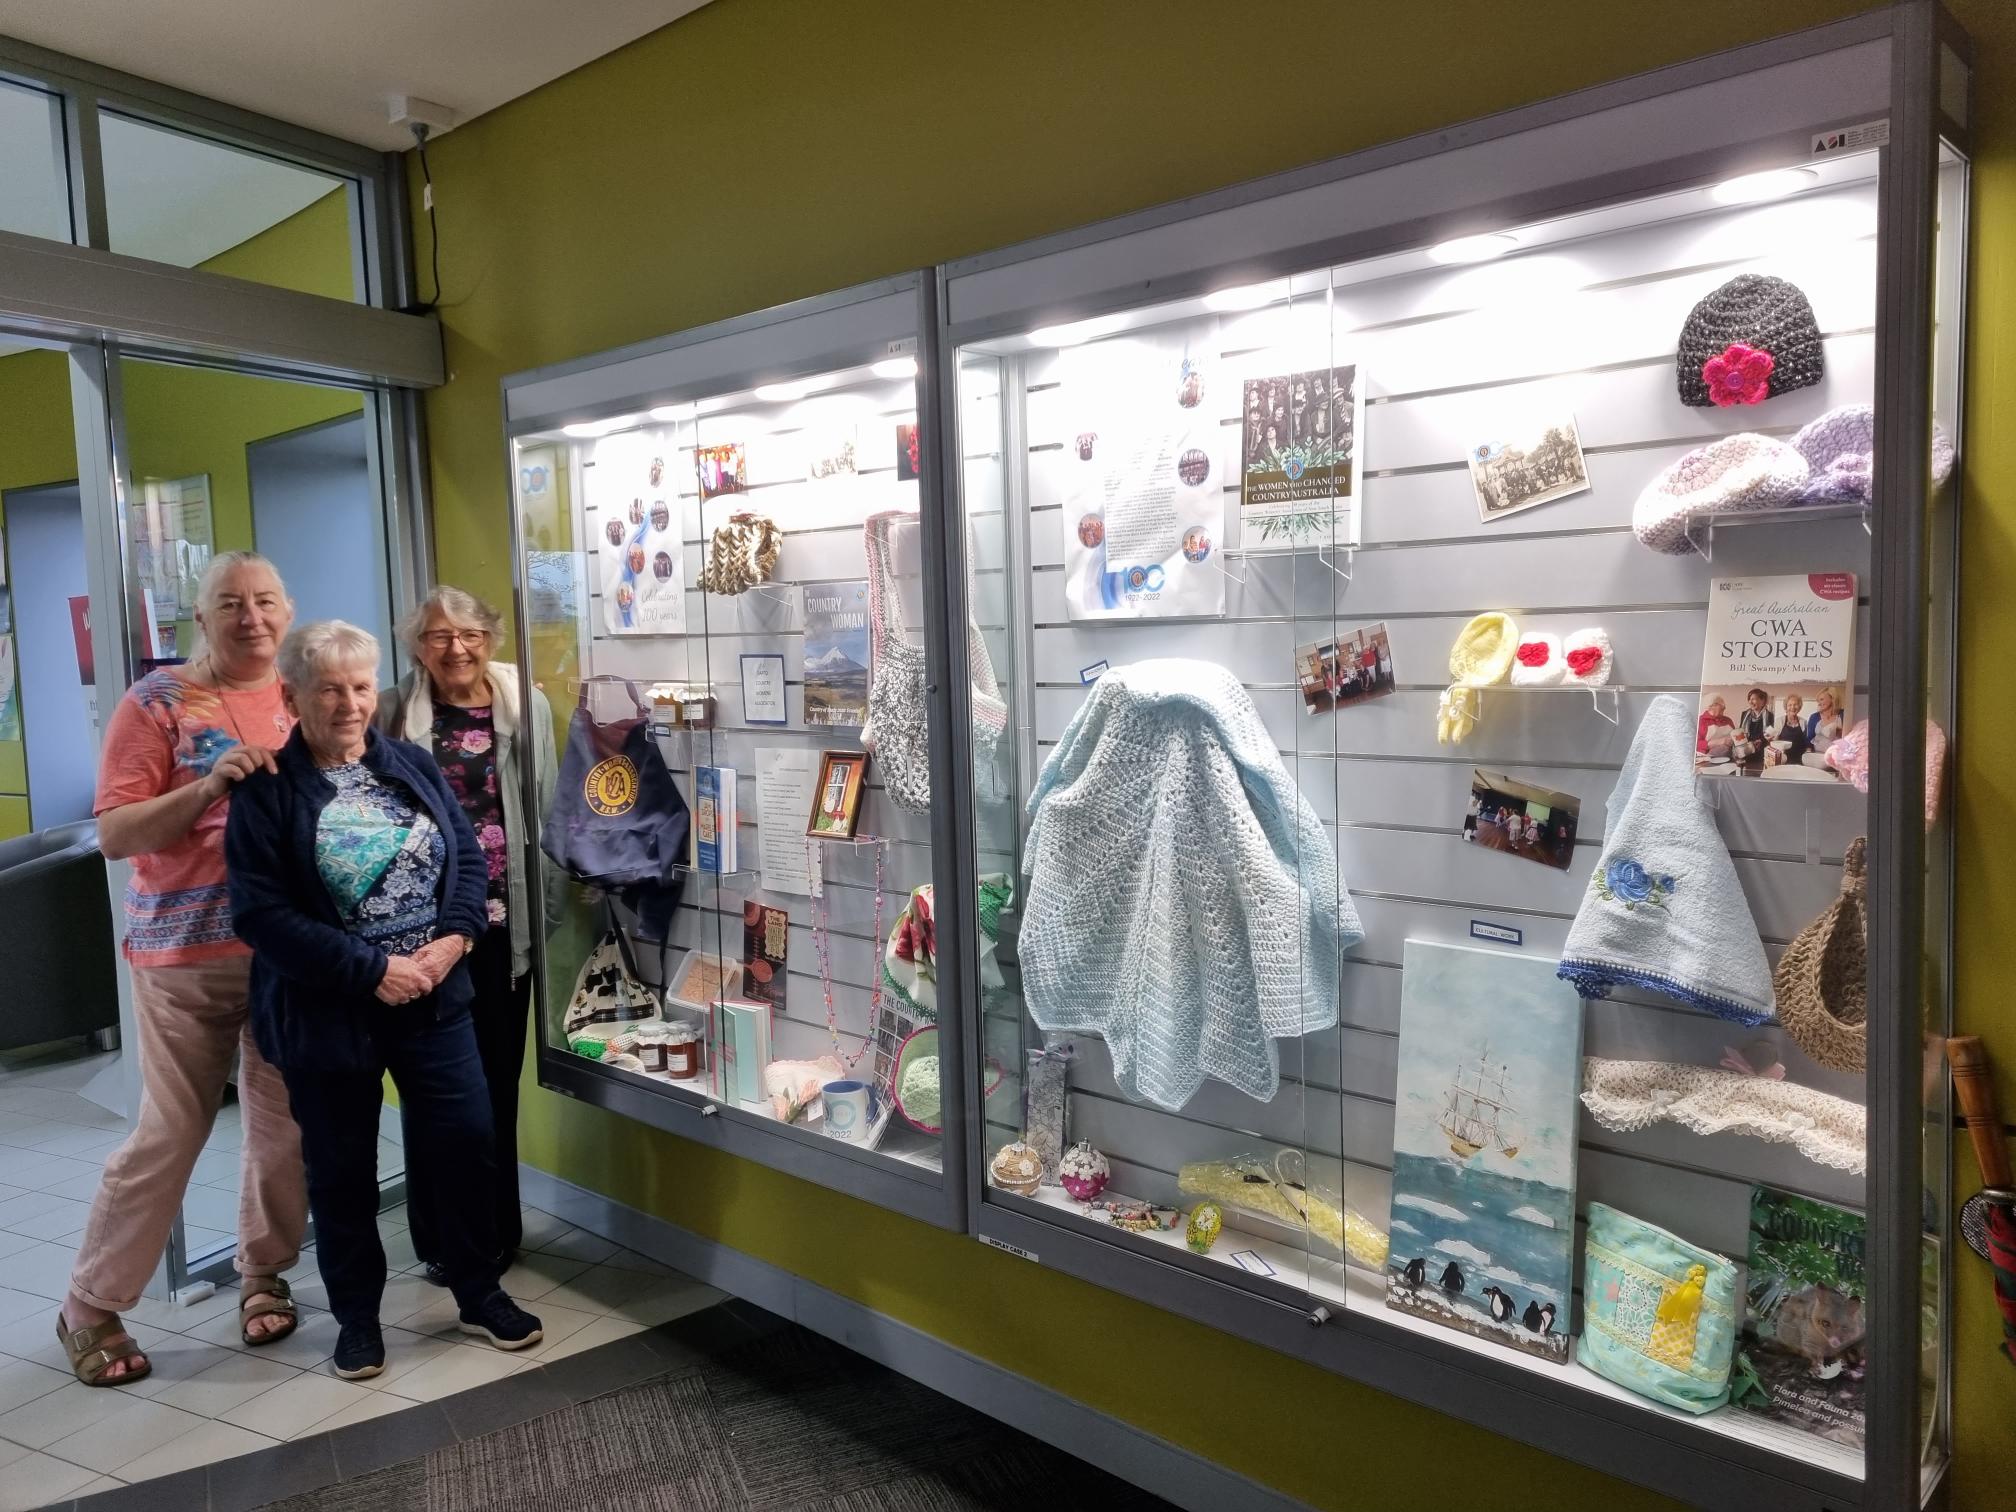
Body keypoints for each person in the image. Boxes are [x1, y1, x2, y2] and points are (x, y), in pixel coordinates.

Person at [225, 620, 542, 1379]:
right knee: (341, 1173)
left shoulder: (407, 763)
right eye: (329, 688)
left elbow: (465, 857)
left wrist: (455, 938)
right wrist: (373, 970)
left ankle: (477, 1290)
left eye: (361, 686)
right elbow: (262, 916)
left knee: (467, 1144)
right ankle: (358, 1321)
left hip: (434, 1000)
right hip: (327, 1013)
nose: (348, 703)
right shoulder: (266, 790)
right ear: (294, 694)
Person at [57, 552, 307, 1388]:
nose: (252, 617)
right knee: (172, 1131)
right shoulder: (155, 701)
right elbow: (118, 834)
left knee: (282, 1127)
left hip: (284, 955)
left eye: (266, 601)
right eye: (231, 603)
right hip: (183, 956)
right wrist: (204, 790)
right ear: (200, 618)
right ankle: (90, 1304)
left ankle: (262, 1270)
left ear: (288, 610)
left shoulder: (301, 694)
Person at [377, 586, 560, 1286]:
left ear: (491, 636)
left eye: (469, 633)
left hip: (503, 932)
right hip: (423, 937)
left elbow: (543, 812)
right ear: (415, 646)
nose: (455, 648)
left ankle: (492, 1237)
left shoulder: (525, 705)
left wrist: (546, 922)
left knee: (495, 1089)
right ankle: (439, 1241)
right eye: (436, 636)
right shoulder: (394, 711)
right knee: (435, 1093)